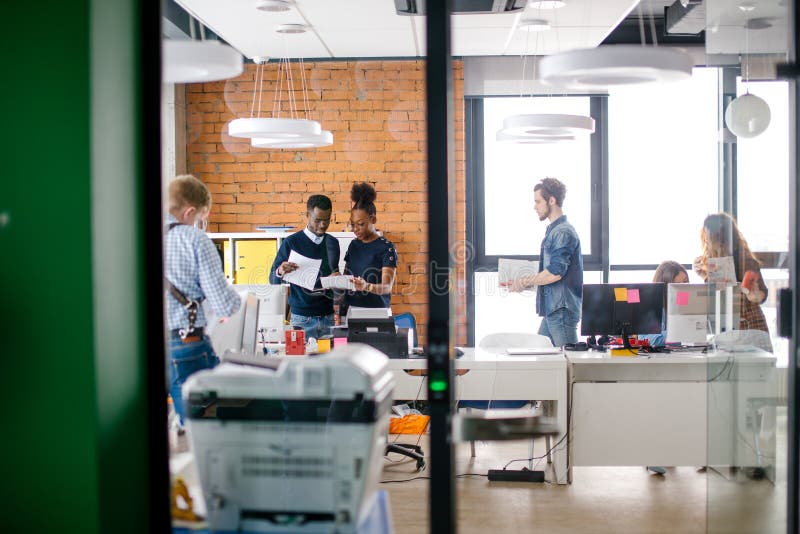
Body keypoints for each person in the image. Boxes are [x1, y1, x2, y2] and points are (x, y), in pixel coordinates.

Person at [164, 175, 241, 424]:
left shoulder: (132, 235)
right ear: (190, 211)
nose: (199, 225)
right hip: (185, 345)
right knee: (204, 426)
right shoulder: (193, 239)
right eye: (199, 219)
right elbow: (225, 306)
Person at [507, 178, 583, 347]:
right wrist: (522, 282)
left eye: (538, 201)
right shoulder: (555, 231)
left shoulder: (563, 232)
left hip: (561, 311)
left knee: (568, 364)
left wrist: (524, 281)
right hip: (554, 310)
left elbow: (555, 273)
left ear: (552, 200)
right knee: (542, 357)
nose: (535, 207)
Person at [693, 212, 772, 351]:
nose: (706, 240)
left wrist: (755, 295)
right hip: (729, 328)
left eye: (708, 236)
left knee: (752, 370)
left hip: (749, 327)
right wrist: (704, 275)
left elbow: (762, 294)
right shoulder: (712, 262)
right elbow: (719, 296)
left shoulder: (745, 260)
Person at [270, 194, 340, 339]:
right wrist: (280, 271)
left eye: (326, 220)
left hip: (328, 317)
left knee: (328, 361)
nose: (322, 225)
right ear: (307, 215)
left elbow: (334, 278)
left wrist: (337, 280)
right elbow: (272, 280)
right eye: (318, 220)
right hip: (302, 319)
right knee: (302, 360)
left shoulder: (333, 243)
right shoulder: (291, 242)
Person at [341, 182, 398, 314]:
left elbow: (386, 287)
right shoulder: (353, 245)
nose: (355, 229)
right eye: (352, 224)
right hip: (352, 310)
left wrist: (367, 286)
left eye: (360, 224)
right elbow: (346, 277)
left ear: (373, 219)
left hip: (378, 312)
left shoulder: (386, 248)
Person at [639, 260, 690, 348]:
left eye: (685, 282)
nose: (683, 288)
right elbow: (645, 339)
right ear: (665, 287)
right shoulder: (652, 308)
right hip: (656, 359)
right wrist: (678, 335)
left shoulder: (689, 305)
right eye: (677, 284)